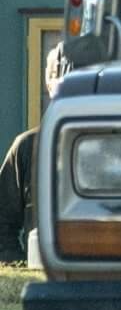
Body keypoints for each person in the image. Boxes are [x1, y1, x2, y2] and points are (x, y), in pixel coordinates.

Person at [0, 45, 67, 265]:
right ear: (49, 85)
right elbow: (2, 223)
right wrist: (22, 267)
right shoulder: (27, 147)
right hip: (43, 275)